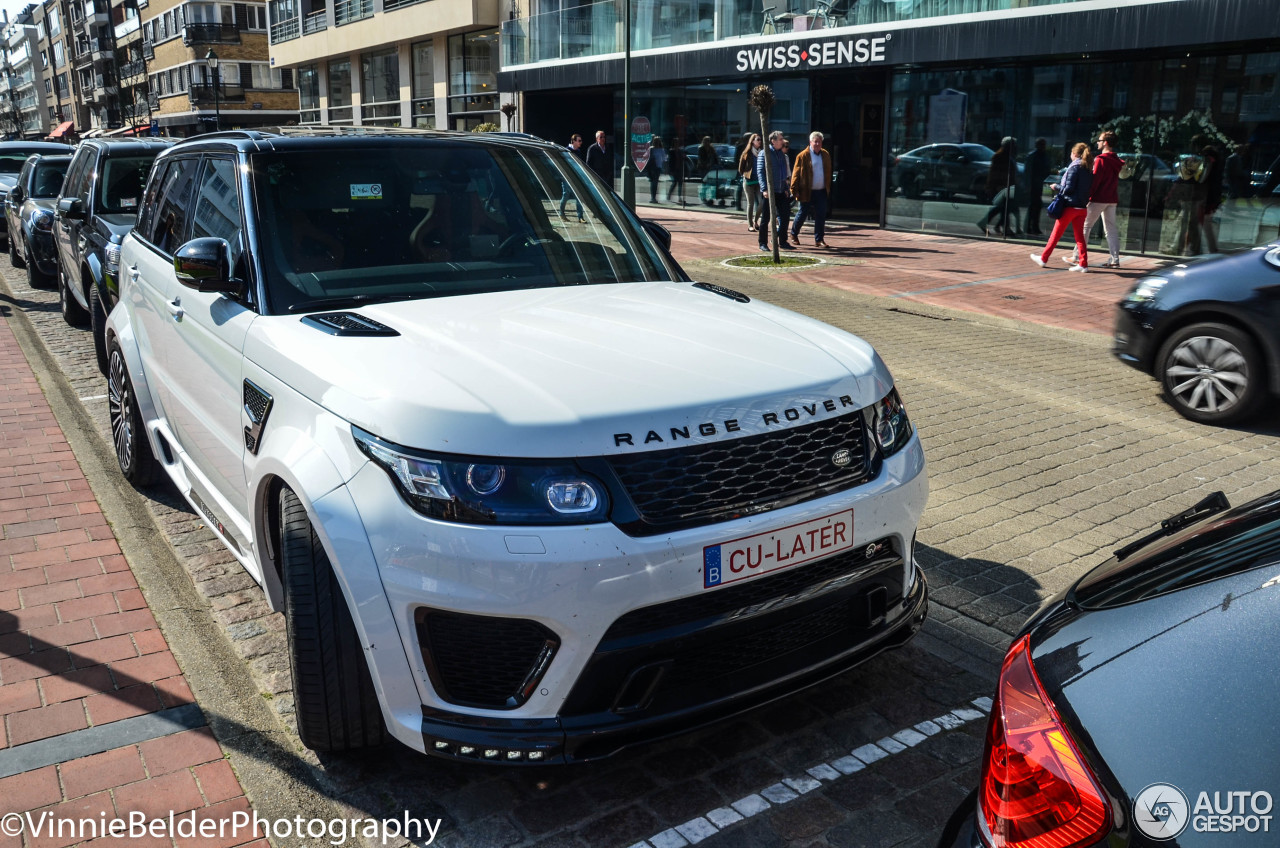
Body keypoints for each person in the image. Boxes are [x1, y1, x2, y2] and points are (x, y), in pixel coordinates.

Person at [1031, 141, 1093, 271]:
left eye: (1071, 152)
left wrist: (1056, 187)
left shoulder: (1074, 168)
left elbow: (1069, 189)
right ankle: (1083, 264)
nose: (1070, 154)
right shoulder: (1087, 168)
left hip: (1070, 207)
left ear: (1075, 154)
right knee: (1080, 237)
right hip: (1082, 208)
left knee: (1055, 235)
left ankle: (1043, 258)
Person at [1068, 130, 1124, 268]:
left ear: (1105, 143)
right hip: (1111, 199)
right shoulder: (1116, 160)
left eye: (1099, 141)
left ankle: (1076, 256)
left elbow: (1095, 181)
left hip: (1098, 198)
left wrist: (1087, 197)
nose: (1097, 143)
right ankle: (1115, 259)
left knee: (1085, 226)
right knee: (1111, 229)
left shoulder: (1100, 160)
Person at [790, 130, 832, 247]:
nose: (817, 144)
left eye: (819, 142)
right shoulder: (802, 156)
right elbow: (796, 174)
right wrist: (794, 190)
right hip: (807, 191)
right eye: (815, 142)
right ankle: (794, 234)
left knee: (821, 215)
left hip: (821, 191)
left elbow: (828, 172)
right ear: (810, 142)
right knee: (803, 213)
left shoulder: (825, 154)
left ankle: (819, 239)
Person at [757, 130, 793, 252]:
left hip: (781, 190)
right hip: (770, 191)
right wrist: (764, 189)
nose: (782, 141)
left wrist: (786, 188)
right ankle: (763, 243)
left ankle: (783, 241)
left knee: (785, 216)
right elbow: (761, 172)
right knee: (766, 218)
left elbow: (784, 173)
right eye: (780, 139)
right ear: (773, 141)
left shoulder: (781, 154)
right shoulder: (765, 153)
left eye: (782, 139)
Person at [977, 137, 1019, 236]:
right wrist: (997, 185)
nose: (1015, 147)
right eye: (1013, 145)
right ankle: (1005, 228)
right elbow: (995, 173)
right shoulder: (999, 156)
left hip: (1006, 185)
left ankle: (994, 225)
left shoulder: (1009, 156)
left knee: (1003, 208)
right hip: (1000, 186)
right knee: (1004, 207)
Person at [1023, 138, 1052, 236]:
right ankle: (1028, 227)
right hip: (1033, 185)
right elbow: (1028, 172)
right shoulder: (1033, 156)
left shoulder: (1043, 156)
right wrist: (1027, 186)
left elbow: (1046, 169)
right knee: (1033, 206)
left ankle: (1034, 227)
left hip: (1038, 184)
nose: (1043, 147)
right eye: (1041, 145)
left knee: (1037, 206)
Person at [559, 133, 586, 221]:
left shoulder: (578, 152)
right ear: (573, 141)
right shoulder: (566, 151)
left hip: (576, 177)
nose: (580, 143)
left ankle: (580, 217)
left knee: (579, 196)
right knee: (566, 195)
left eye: (581, 141)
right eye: (579, 141)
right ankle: (561, 213)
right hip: (567, 177)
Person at [738, 133, 762, 231]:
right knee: (750, 203)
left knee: (762, 202)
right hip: (748, 181)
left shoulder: (762, 153)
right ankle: (750, 225)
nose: (760, 141)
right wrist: (745, 174)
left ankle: (756, 220)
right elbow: (740, 167)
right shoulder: (747, 153)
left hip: (759, 181)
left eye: (760, 139)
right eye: (758, 139)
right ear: (752, 141)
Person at [648, 136, 666, 203]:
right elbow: (647, 158)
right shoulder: (651, 149)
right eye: (656, 141)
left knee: (655, 182)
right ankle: (653, 197)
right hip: (652, 167)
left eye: (658, 141)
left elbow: (664, 159)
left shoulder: (661, 149)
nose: (657, 142)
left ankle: (653, 197)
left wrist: (665, 168)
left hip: (658, 167)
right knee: (654, 182)